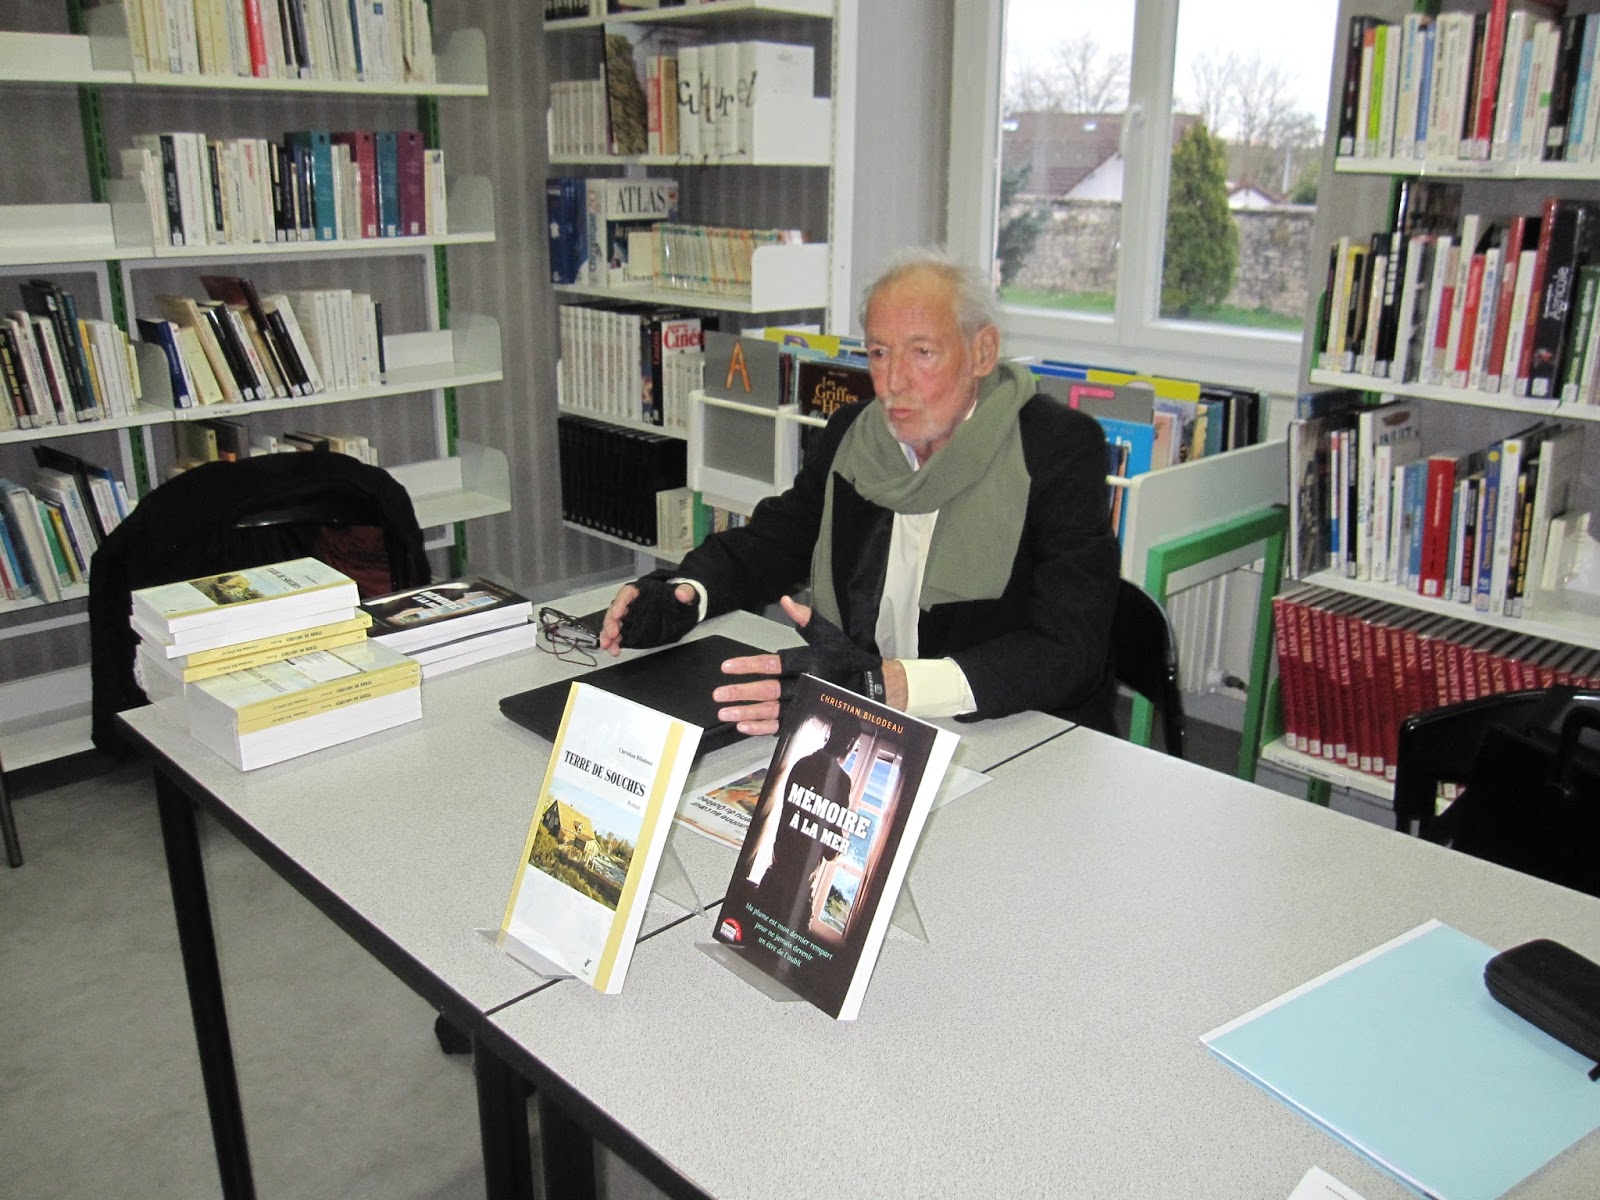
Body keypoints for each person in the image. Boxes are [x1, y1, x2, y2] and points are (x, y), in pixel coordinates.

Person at [599, 246, 1120, 734]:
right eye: (878, 353)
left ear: (982, 352)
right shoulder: (857, 436)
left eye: (922, 353)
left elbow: (1070, 650)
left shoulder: (1057, 449)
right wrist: (686, 594)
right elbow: (777, 539)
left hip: (1012, 729)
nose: (894, 382)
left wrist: (889, 683)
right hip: (872, 716)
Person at [747, 716, 856, 933]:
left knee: (752, 937)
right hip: (797, 891)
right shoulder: (841, 781)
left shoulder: (802, 763)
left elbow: (787, 819)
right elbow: (831, 851)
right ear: (850, 744)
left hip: (774, 877)